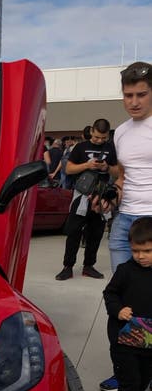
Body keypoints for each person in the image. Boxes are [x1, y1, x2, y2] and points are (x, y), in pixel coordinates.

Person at [100, 61, 152, 391]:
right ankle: (125, 370)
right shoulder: (120, 132)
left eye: (141, 95)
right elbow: (122, 176)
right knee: (123, 301)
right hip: (124, 223)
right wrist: (111, 195)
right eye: (128, 95)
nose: (133, 102)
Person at [102, 217, 152, 391]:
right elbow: (110, 293)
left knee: (143, 379)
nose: (140, 256)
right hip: (124, 338)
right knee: (130, 380)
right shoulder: (125, 271)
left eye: (147, 251)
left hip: (148, 340)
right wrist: (118, 309)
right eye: (135, 251)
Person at [55, 118, 117, 281]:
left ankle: (89, 266)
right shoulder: (80, 147)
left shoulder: (110, 148)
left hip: (101, 195)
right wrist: (87, 165)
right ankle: (68, 266)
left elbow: (117, 172)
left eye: (103, 138)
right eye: (96, 137)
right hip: (81, 194)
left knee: (96, 233)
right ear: (91, 131)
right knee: (73, 231)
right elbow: (68, 169)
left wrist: (107, 167)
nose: (100, 141)